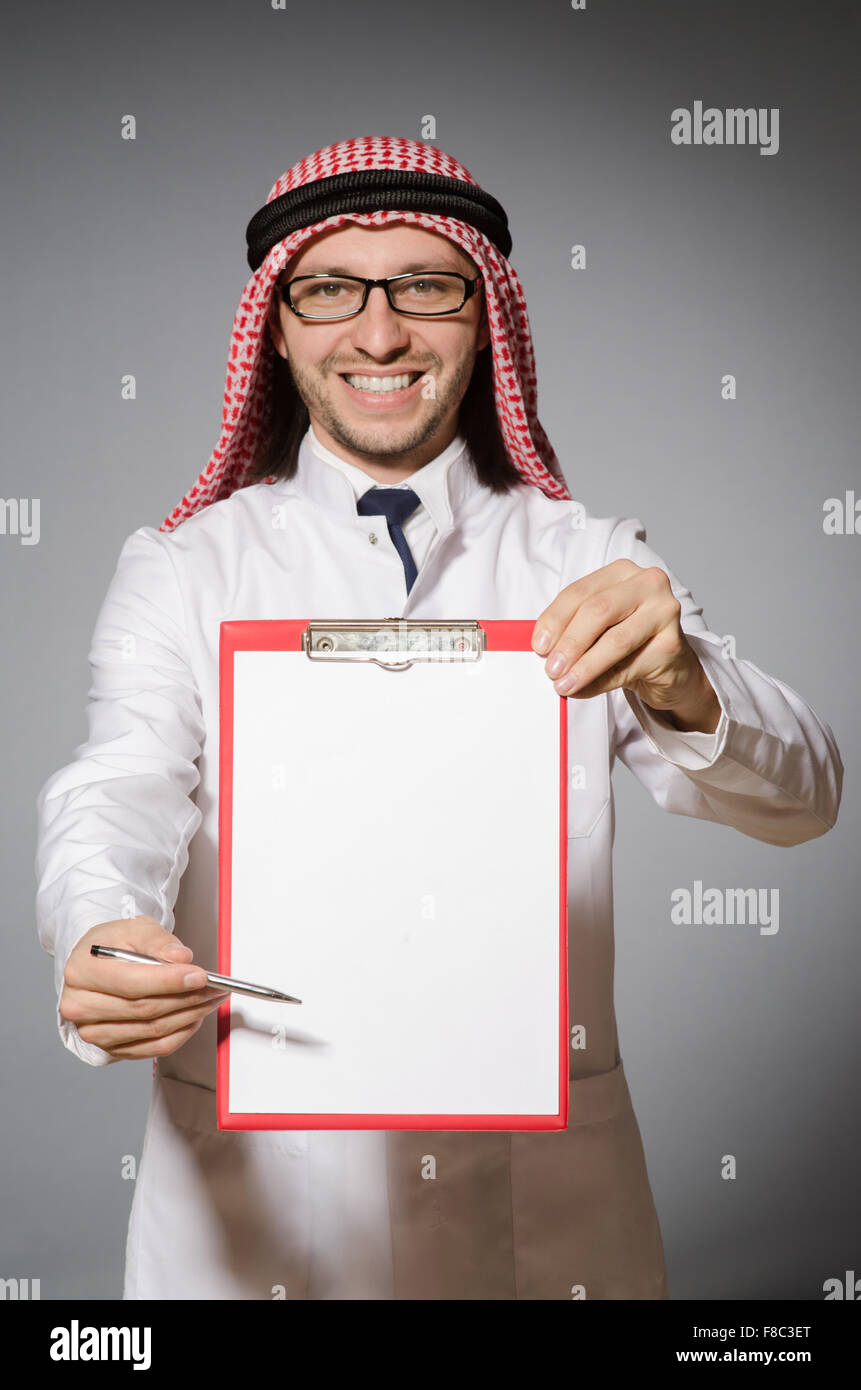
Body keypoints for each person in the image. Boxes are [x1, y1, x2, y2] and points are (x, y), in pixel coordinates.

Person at [35, 135, 843, 1300]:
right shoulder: (183, 571)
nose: (379, 334)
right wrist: (97, 926)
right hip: (252, 1231)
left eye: (425, 285)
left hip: (552, 1235)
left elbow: (807, 798)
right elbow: (118, 782)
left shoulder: (593, 562)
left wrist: (684, 681)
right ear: (276, 321)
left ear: (487, 315)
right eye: (330, 289)